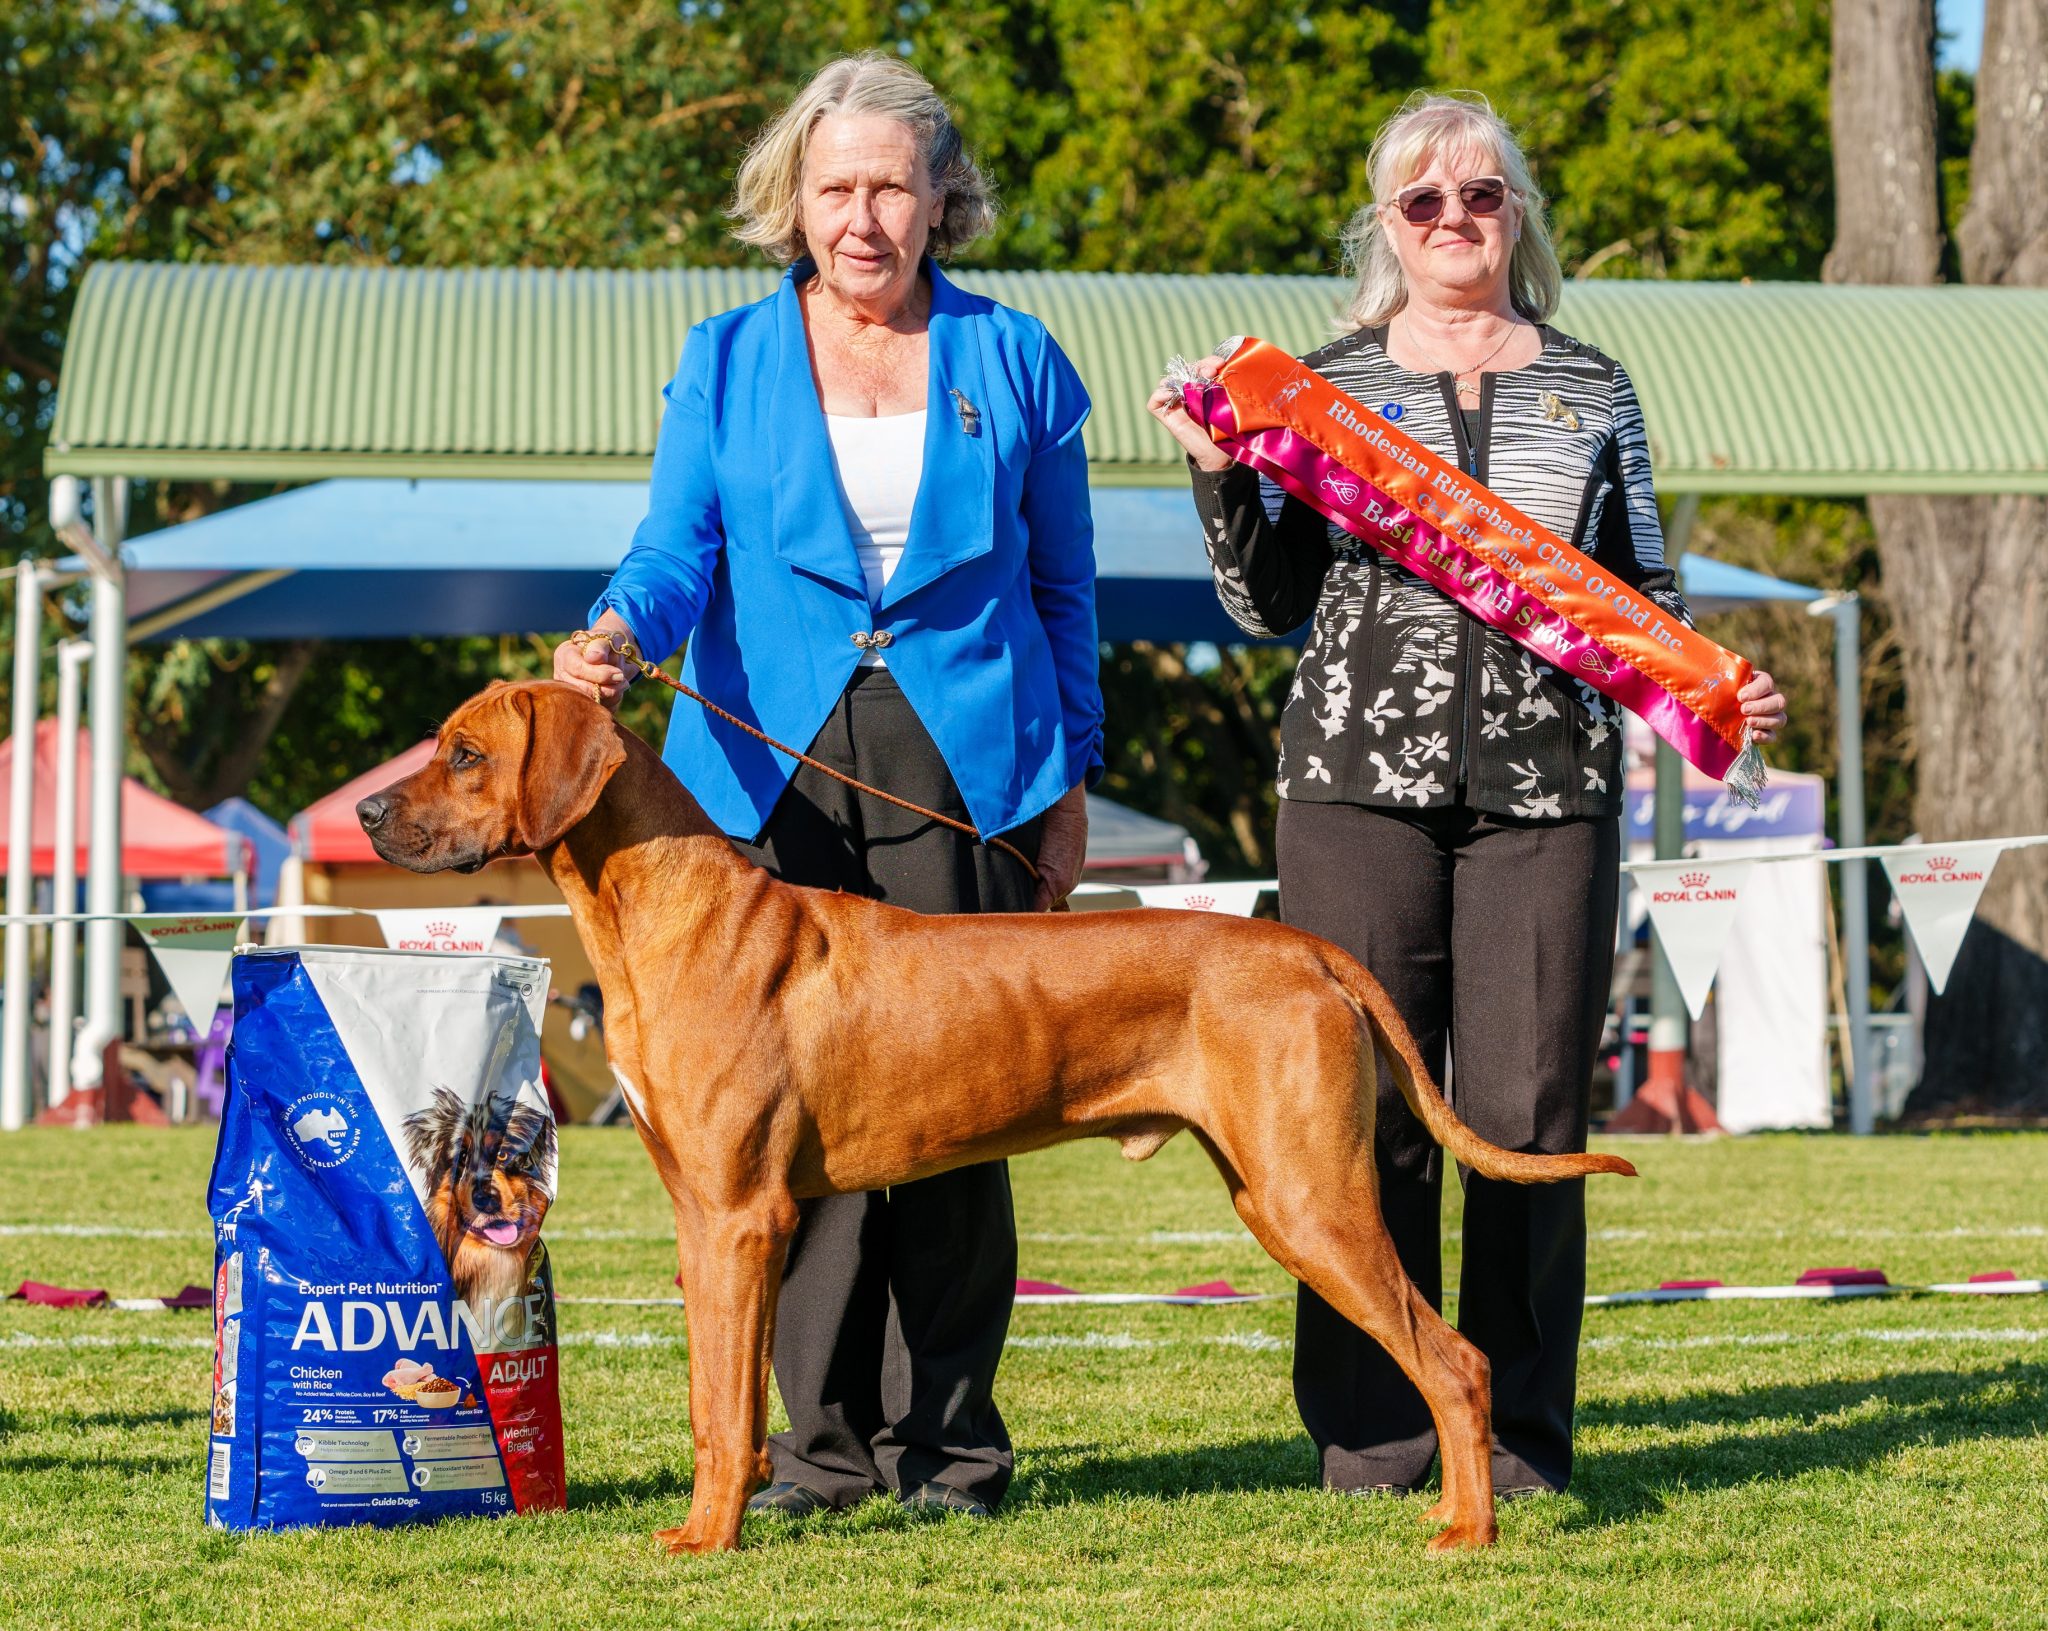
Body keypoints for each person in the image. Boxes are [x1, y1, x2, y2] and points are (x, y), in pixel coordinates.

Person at [1147, 92, 1785, 1498]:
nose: (1454, 220)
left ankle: (1522, 1436)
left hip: (1548, 793)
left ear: (1518, 215)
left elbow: (1642, 591)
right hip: (1351, 788)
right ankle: (1374, 1435)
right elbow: (1267, 603)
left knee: (1529, 1112)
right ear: (1386, 225)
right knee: (1360, 1116)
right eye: (1423, 200)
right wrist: (1219, 480)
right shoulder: (1316, 387)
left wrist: (1720, 691)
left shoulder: (1596, 389)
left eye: (1481, 195)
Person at [555, 53, 1102, 1520]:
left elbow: (1064, 591)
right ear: (793, 200)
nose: (865, 218)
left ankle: (954, 1451)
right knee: (784, 1127)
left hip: (969, 764)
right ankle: (823, 1450)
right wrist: (618, 634)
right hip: (763, 775)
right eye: (837, 187)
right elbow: (675, 552)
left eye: (894, 188)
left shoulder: (1018, 359)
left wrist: (1069, 775)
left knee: (968, 1108)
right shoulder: (724, 358)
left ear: (942, 199)